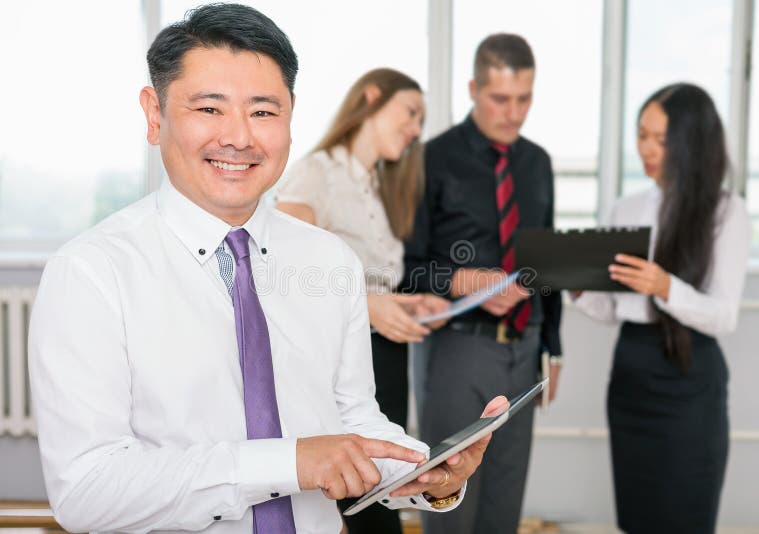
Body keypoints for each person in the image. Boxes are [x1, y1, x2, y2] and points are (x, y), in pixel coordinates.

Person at [27, 5, 503, 533]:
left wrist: (428, 470)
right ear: (154, 114)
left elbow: (352, 421)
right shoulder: (91, 274)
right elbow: (88, 491)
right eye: (210, 109)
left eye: (262, 112)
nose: (238, 138)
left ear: (292, 116)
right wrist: (288, 462)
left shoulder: (330, 261)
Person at [275, 68, 451, 533]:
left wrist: (404, 303)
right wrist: (371, 307)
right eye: (410, 112)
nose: (416, 129)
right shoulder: (319, 173)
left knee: (382, 484)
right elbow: (283, 267)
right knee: (359, 491)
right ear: (371, 98)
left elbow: (372, 279)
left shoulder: (380, 185)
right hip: (340, 358)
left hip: (387, 355)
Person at [401, 34, 563, 534]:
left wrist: (553, 350)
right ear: (474, 88)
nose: (513, 114)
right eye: (500, 99)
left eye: (524, 99)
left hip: (525, 348)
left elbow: (546, 263)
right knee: (449, 499)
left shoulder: (538, 163)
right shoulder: (430, 159)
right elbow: (404, 271)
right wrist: (463, 280)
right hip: (456, 352)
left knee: (503, 506)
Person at [572, 83, 751, 534]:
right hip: (632, 371)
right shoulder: (625, 208)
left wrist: (665, 286)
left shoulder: (726, 213)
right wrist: (575, 288)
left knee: (686, 514)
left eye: (662, 140)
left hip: (690, 376)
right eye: (641, 135)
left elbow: (723, 316)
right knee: (637, 515)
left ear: (692, 143)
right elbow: (613, 309)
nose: (647, 150)